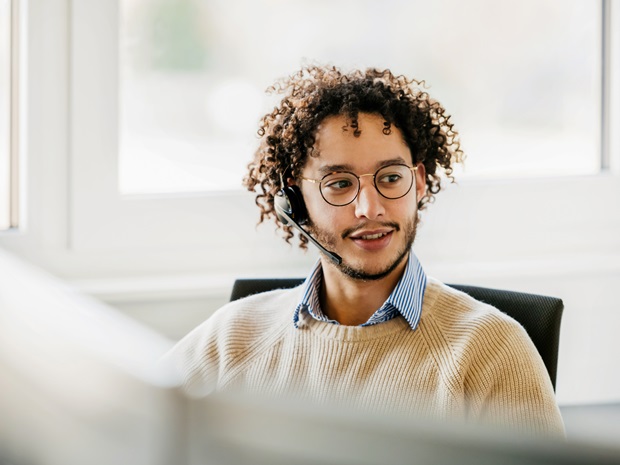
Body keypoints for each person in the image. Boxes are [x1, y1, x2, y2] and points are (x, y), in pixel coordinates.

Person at [165, 65, 565, 436]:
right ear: (295, 200)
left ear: (420, 183)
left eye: (391, 178)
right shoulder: (233, 336)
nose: (370, 208)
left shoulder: (492, 351)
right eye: (339, 184)